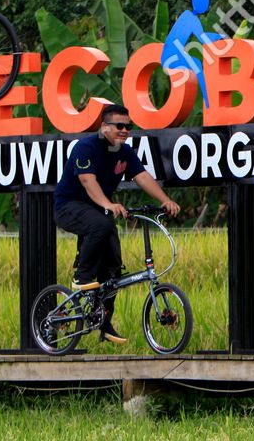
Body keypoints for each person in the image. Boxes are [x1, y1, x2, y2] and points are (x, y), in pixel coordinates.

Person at [52, 105, 182, 344]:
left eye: (128, 126)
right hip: (69, 207)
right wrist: (109, 204)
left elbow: (142, 176)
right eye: (119, 126)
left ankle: (104, 321)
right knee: (101, 225)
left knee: (113, 269)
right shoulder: (86, 147)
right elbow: (87, 180)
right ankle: (82, 276)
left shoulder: (125, 152)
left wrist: (165, 200)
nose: (124, 131)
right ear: (104, 127)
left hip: (98, 212)